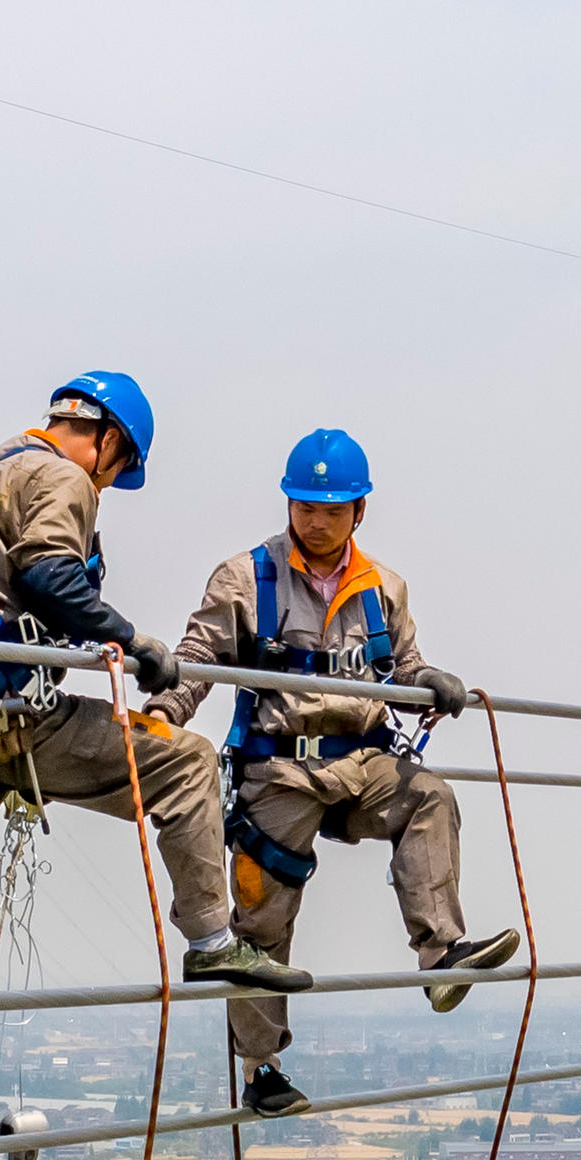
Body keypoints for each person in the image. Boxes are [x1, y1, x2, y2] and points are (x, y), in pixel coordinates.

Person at [0, 371, 307, 1157]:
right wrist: (138, 646)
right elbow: (49, 576)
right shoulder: (60, 475)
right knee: (187, 761)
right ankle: (208, 941)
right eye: (114, 464)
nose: (107, 478)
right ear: (109, 441)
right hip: (8, 713)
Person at [162, 428, 514, 1117]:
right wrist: (159, 717)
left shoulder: (383, 589)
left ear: (359, 511)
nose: (316, 521)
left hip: (362, 761)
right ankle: (262, 1071)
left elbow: (405, 670)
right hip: (280, 769)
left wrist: (431, 682)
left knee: (432, 800)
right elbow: (196, 657)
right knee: (261, 920)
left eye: (331, 509)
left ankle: (442, 958)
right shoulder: (246, 578)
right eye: (304, 507)